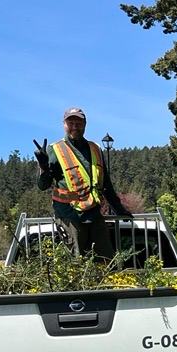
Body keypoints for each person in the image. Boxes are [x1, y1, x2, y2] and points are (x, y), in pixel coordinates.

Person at [36, 107, 131, 258]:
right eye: (71, 122)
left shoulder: (95, 149)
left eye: (78, 123)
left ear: (85, 124)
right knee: (77, 265)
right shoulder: (55, 150)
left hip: (94, 215)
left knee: (105, 261)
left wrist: (120, 210)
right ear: (64, 124)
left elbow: (106, 185)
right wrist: (43, 166)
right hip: (70, 217)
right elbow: (43, 185)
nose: (75, 126)